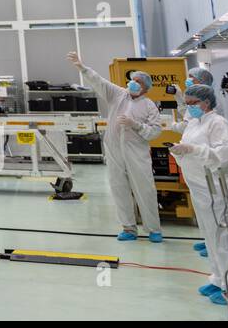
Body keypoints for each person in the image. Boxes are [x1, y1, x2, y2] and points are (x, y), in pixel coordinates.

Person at [67, 51, 163, 242]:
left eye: (138, 82)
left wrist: (136, 125)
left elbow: (155, 131)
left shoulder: (149, 105)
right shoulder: (118, 94)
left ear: (145, 88)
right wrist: (82, 67)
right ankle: (128, 228)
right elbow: (99, 82)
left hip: (136, 153)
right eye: (132, 80)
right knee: (119, 188)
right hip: (114, 150)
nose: (133, 83)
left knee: (145, 190)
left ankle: (154, 230)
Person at [171, 83, 228, 305]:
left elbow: (225, 156)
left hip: (221, 188)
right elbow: (190, 149)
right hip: (201, 189)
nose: (190, 107)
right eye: (187, 104)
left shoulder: (218, 123)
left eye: (193, 103)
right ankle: (219, 279)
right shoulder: (194, 123)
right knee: (211, 236)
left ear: (206, 102)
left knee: (227, 237)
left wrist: (194, 150)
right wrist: (180, 151)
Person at [183, 66, 214, 257]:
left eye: (191, 78)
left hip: (208, 174)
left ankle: (214, 243)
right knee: (202, 210)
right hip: (195, 172)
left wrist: (191, 149)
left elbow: (221, 153)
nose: (188, 80)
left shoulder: (216, 122)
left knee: (212, 211)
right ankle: (208, 240)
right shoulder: (197, 118)